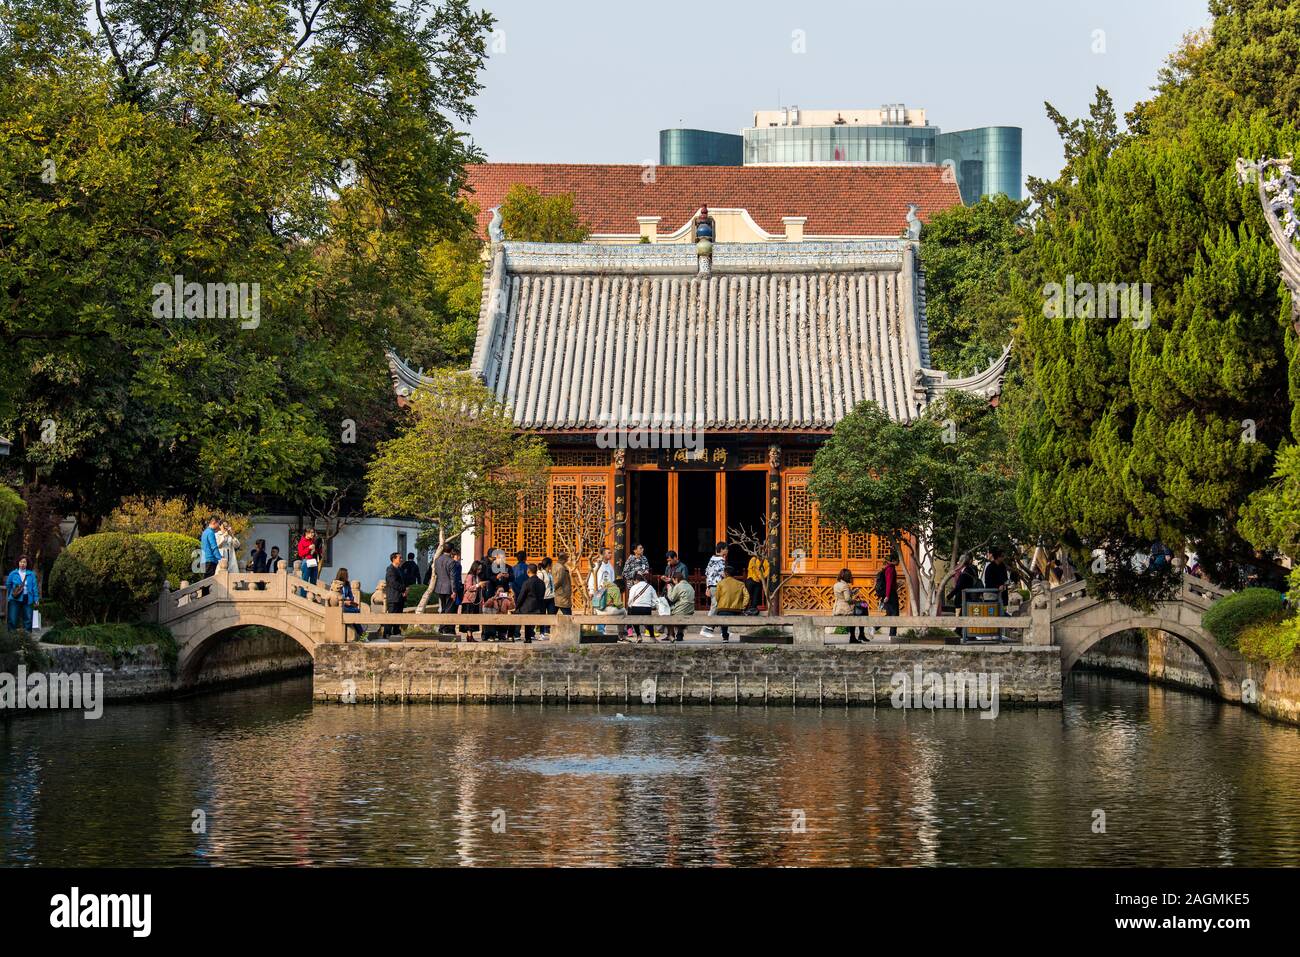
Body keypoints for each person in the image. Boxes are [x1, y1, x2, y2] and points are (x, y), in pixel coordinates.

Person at [699, 541, 728, 639]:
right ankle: (705, 628)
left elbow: (707, 573)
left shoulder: (711, 559)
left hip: (712, 586)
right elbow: (723, 574)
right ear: (722, 549)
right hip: (717, 586)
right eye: (726, 548)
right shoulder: (721, 560)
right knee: (715, 606)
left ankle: (723, 630)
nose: (727, 550)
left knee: (719, 607)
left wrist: (707, 587)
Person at [712, 565, 748, 641]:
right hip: (736, 611)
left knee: (720, 615)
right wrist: (743, 606)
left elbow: (717, 597)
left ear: (726, 573)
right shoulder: (740, 584)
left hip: (723, 609)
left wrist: (721, 603)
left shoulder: (720, 583)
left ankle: (725, 636)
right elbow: (747, 596)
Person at [5, 555, 39, 632]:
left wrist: (36, 599)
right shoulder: (13, 573)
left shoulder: (31, 574)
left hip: (28, 598)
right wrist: (13, 592)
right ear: (18, 563)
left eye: (24, 562)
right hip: (15, 599)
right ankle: (12, 637)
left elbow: (34, 587)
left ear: (27, 564)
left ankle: (27, 638)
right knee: (12, 619)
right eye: (21, 562)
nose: (22, 563)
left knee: (28, 619)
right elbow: (8, 585)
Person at [433, 544, 461, 634]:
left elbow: (436, 573)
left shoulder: (437, 560)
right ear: (451, 550)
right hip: (449, 587)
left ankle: (442, 628)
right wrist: (454, 591)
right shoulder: (451, 561)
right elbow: (452, 577)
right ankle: (445, 628)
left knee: (443, 608)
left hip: (440, 587)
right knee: (449, 609)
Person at [833, 568, 867, 644]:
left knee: (862, 608)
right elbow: (847, 599)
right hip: (845, 610)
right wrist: (855, 601)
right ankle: (855, 636)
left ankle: (859, 635)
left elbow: (842, 595)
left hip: (837, 608)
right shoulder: (845, 586)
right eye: (850, 576)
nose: (851, 578)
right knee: (863, 607)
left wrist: (852, 592)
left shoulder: (836, 584)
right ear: (846, 577)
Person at [515, 563, 546, 643]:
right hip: (539, 608)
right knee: (525, 611)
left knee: (515, 613)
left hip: (528, 608)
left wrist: (517, 606)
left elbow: (521, 597)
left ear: (528, 571)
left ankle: (513, 635)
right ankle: (529, 636)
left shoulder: (527, 582)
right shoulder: (542, 583)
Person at [332, 567, 364, 640]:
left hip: (346, 605)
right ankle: (363, 635)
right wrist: (345, 601)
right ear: (342, 575)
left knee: (356, 610)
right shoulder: (335, 583)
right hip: (338, 606)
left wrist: (350, 601)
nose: (348, 576)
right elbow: (335, 596)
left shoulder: (347, 584)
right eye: (347, 575)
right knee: (355, 612)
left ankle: (362, 635)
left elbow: (351, 596)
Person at [459, 560, 486, 640]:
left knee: (473, 619)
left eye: (480, 569)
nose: (479, 571)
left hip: (475, 600)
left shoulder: (477, 576)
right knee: (468, 619)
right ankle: (469, 636)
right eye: (478, 569)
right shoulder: (470, 576)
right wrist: (478, 585)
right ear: (474, 568)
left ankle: (470, 636)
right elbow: (468, 587)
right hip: (468, 601)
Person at [382, 552, 406, 639]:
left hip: (400, 596)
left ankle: (396, 631)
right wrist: (403, 589)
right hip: (393, 597)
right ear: (394, 559)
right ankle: (387, 633)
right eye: (400, 558)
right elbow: (393, 583)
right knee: (391, 616)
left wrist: (404, 590)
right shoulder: (390, 569)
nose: (401, 559)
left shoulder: (399, 569)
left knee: (399, 615)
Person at [627, 571, 657, 641]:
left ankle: (638, 636)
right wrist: (652, 605)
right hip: (647, 608)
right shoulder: (650, 586)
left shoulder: (634, 587)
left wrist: (630, 605)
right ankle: (652, 637)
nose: (634, 583)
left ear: (636, 580)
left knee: (635, 621)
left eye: (634, 581)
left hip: (636, 608)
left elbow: (631, 599)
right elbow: (655, 599)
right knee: (649, 622)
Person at [665, 570, 694, 642]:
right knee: (679, 610)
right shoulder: (690, 586)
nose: (674, 582)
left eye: (673, 580)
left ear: (676, 579)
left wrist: (669, 589)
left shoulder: (678, 586)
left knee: (667, 614)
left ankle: (671, 635)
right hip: (690, 610)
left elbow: (671, 598)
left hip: (681, 609)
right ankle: (680, 634)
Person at [876, 554, 901, 638]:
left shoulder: (888, 568)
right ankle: (892, 635)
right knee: (894, 614)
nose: (898, 562)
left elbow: (890, 583)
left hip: (889, 593)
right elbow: (889, 583)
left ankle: (875, 627)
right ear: (893, 560)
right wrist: (887, 596)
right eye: (897, 560)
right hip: (890, 594)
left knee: (890, 614)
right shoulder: (890, 569)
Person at [982, 547, 1010, 612]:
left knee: (1001, 613)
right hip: (991, 595)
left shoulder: (1002, 566)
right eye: (1002, 556)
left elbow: (1005, 578)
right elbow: (988, 582)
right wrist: (997, 586)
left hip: (1001, 595)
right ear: (997, 557)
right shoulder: (990, 567)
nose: (1004, 558)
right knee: (992, 614)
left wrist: (1006, 583)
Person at [297, 528, 321, 593]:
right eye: (311, 532)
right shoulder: (301, 542)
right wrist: (308, 548)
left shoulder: (313, 541)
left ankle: (312, 596)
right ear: (306, 533)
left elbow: (317, 550)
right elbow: (301, 554)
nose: (313, 534)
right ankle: (303, 597)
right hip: (306, 561)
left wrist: (317, 549)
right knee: (305, 580)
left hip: (314, 561)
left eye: (313, 532)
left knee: (314, 580)